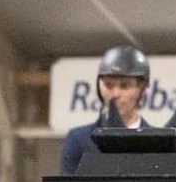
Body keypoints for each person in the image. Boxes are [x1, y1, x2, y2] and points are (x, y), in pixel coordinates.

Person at [59, 44, 151, 175]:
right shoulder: (78, 140)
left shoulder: (157, 143)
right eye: (108, 85)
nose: (115, 94)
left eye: (124, 86)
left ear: (141, 88)